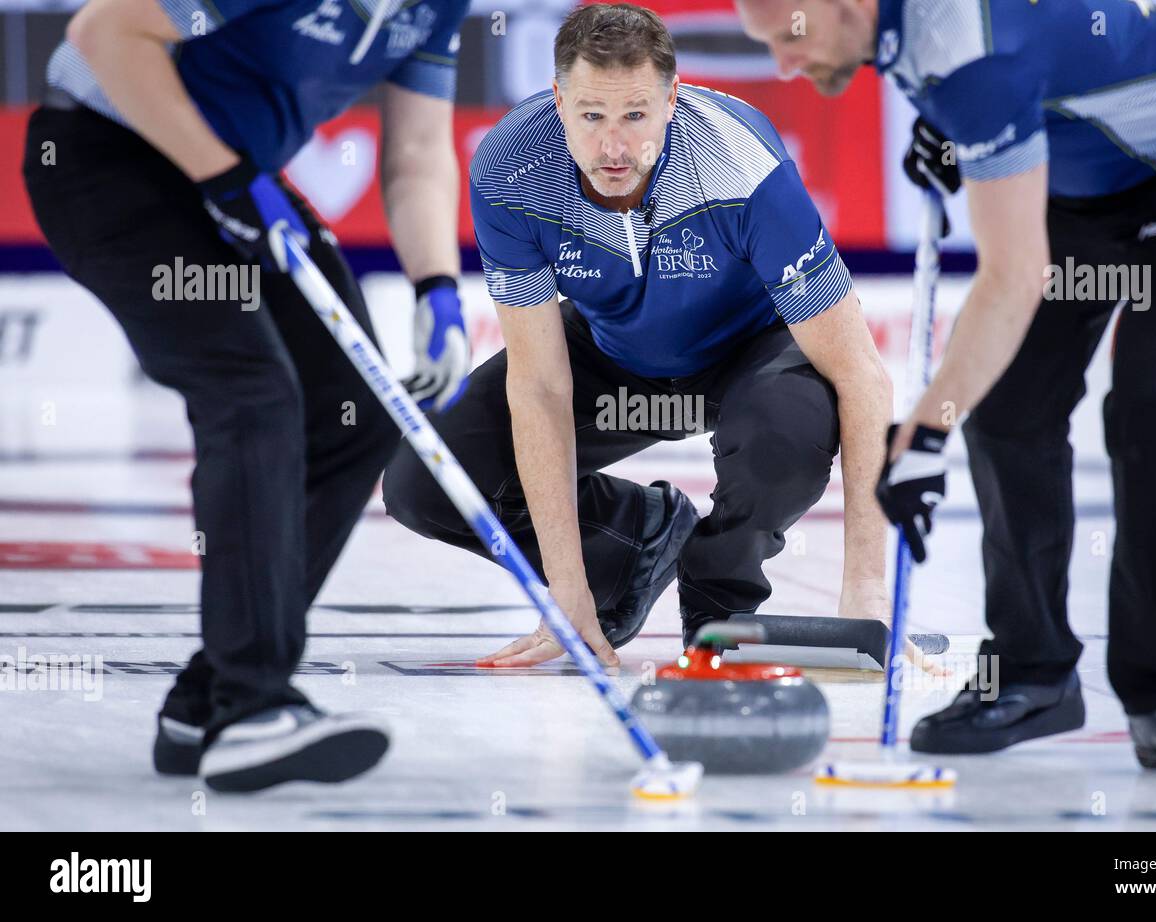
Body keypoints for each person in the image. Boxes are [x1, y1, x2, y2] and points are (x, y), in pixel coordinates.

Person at [737, 0, 1156, 773]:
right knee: (1009, 407)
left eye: (789, 40)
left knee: (1150, 405)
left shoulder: (968, 53)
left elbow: (1013, 277)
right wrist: (958, 132)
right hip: (1075, 184)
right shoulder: (902, 34)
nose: (783, 67)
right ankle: (1033, 673)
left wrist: (921, 435)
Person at [22, 0, 473, 791]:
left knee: (355, 408)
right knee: (251, 391)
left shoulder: (439, 7)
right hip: (107, 156)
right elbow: (104, 35)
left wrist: (438, 289)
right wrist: (223, 178)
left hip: (233, 175)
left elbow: (418, 152)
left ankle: (209, 697)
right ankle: (253, 707)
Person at [383, 3, 897, 668]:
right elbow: (539, 386)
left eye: (635, 116)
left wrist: (868, 595)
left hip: (754, 351)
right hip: (615, 353)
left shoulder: (740, 162)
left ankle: (718, 607)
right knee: (425, 482)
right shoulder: (509, 170)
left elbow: (861, 373)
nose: (615, 147)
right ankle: (637, 542)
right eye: (592, 116)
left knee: (781, 445)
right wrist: (566, 593)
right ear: (559, 101)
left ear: (672, 101)